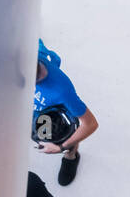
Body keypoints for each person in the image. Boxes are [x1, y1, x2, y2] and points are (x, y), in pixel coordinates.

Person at [32, 39, 99, 186]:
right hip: (28, 107)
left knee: (59, 134)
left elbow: (90, 124)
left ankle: (71, 155)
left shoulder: (61, 90)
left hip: (49, 113)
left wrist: (61, 147)